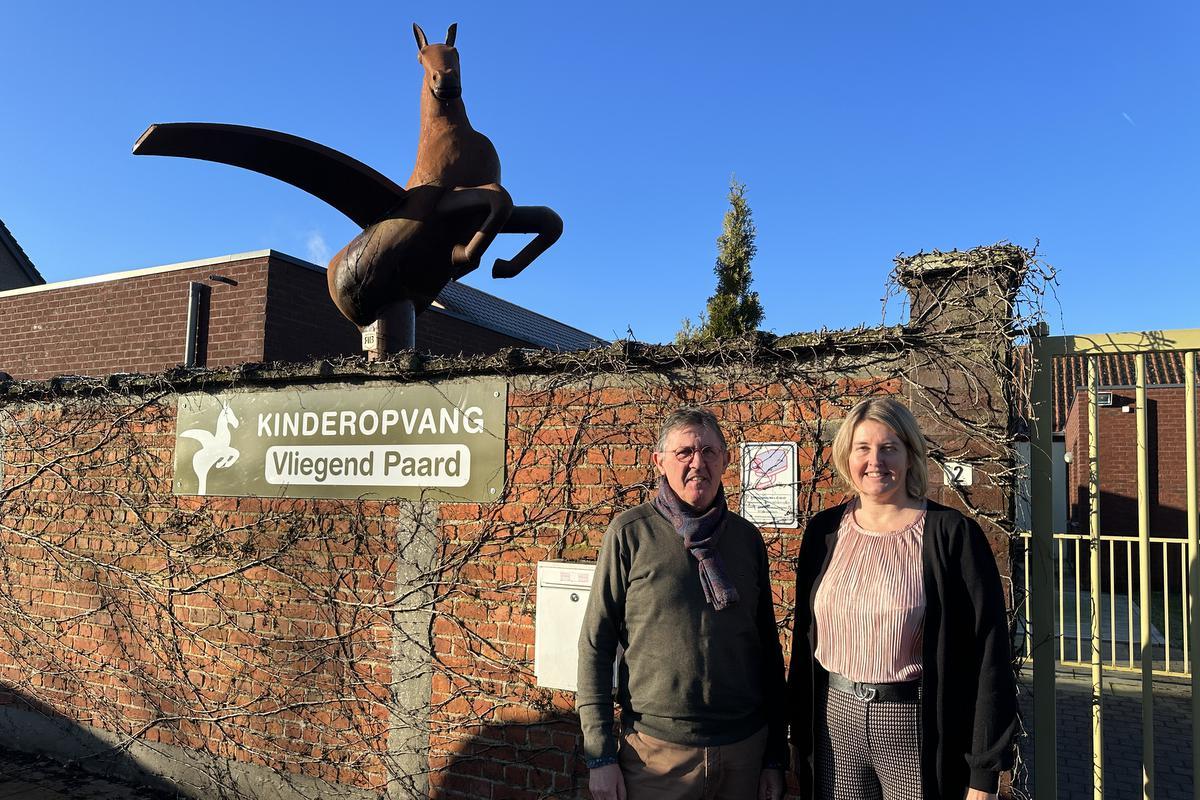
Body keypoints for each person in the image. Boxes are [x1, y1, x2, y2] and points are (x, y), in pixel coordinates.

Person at [786, 397, 1016, 800]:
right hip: (833, 720)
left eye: (889, 447)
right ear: (846, 456)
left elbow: (989, 653)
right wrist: (795, 735)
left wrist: (984, 771)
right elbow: (805, 639)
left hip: (914, 722)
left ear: (910, 455)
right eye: (863, 448)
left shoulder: (952, 536)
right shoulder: (823, 533)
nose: (875, 460)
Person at [577, 407, 787, 800]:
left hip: (744, 752)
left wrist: (774, 756)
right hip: (655, 758)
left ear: (726, 460)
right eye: (684, 452)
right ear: (659, 461)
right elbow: (595, 645)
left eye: (709, 452)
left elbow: (768, 652)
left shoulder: (747, 540)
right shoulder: (630, 533)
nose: (698, 463)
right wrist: (600, 756)